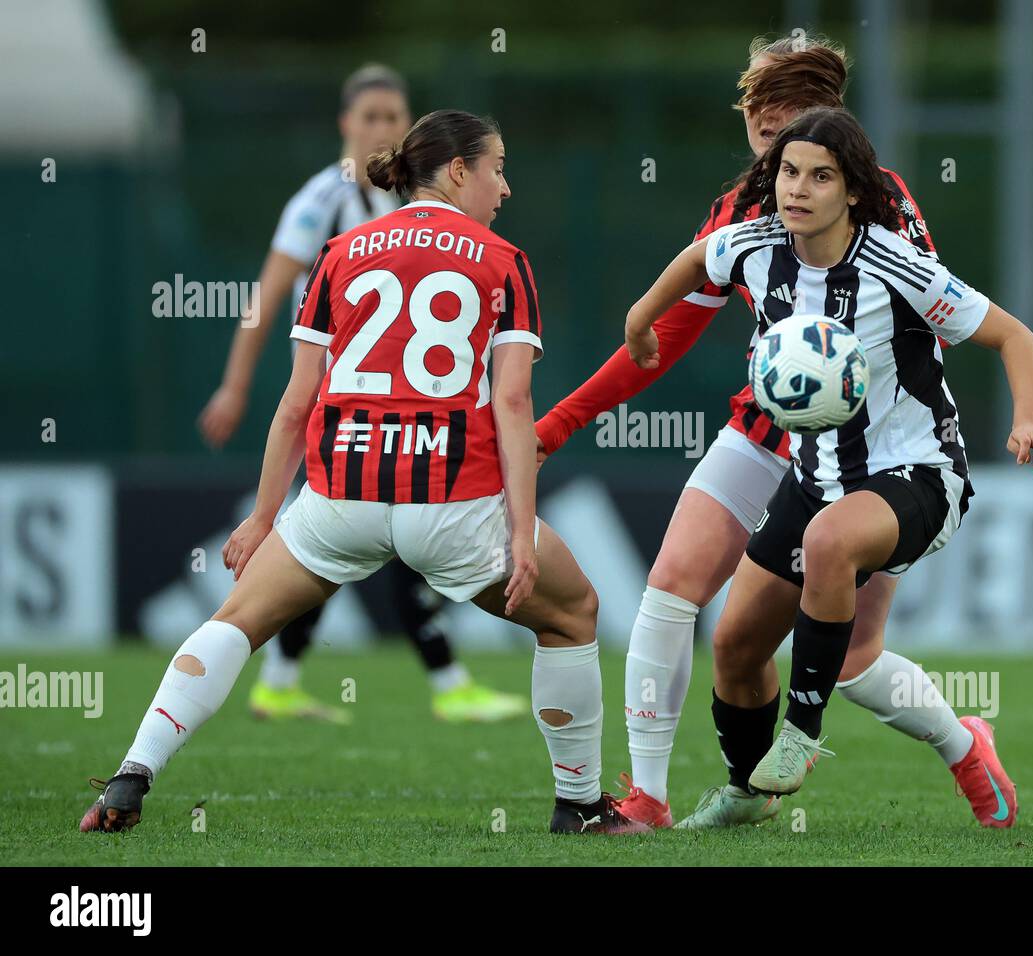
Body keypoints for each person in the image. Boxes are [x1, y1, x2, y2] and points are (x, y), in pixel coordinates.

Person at [82, 110, 644, 836]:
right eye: (498, 167)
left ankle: (132, 773)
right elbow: (510, 403)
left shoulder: (342, 251)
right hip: (450, 502)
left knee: (235, 621)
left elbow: (295, 403)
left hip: (339, 495)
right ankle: (579, 807)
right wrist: (522, 533)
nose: (505, 187)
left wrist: (260, 517)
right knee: (573, 615)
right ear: (458, 170)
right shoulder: (504, 260)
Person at [536, 36, 993, 829]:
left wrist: (836, 372)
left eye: (786, 112)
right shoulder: (742, 208)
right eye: (758, 110)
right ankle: (648, 797)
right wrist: (559, 423)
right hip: (762, 435)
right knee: (673, 588)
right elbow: (665, 333)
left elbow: (934, 323)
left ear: (829, 119)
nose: (768, 128)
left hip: (870, 451)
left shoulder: (879, 200)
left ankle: (964, 744)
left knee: (854, 661)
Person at [622, 107, 1033, 826]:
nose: (798, 188)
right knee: (734, 646)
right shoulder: (756, 246)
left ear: (853, 190)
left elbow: (1014, 336)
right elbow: (699, 260)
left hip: (919, 473)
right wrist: (642, 317)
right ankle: (746, 793)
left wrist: (1029, 421)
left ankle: (802, 733)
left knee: (830, 545)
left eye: (821, 176)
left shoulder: (897, 265)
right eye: (789, 172)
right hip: (816, 477)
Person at [197, 64, 524, 724]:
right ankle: (442, 680)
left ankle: (287, 679)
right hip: (337, 394)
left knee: (354, 536)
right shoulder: (323, 200)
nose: (381, 128)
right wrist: (234, 385)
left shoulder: (406, 205)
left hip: (401, 396)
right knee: (378, 526)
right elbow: (265, 297)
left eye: (393, 117)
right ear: (346, 124)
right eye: (370, 117)